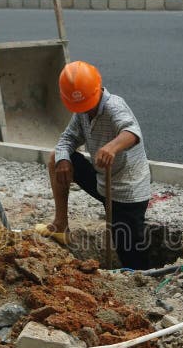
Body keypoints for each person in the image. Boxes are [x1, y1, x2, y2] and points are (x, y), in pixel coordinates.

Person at [36, 61, 151, 270]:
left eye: (87, 104)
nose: (84, 110)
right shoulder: (82, 112)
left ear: (97, 90)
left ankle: (142, 280)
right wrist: (64, 159)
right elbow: (67, 140)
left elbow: (132, 132)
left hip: (127, 194)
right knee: (56, 158)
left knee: (130, 256)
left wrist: (113, 147)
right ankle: (60, 225)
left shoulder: (114, 106)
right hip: (103, 183)